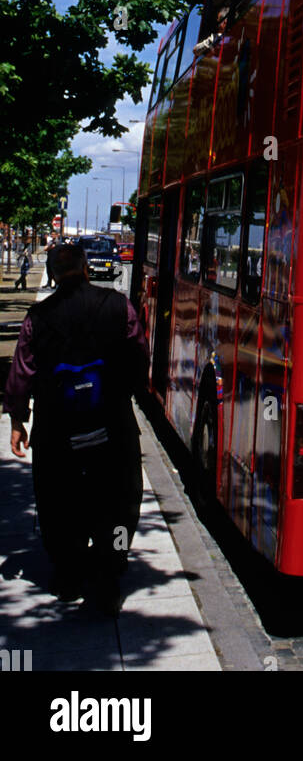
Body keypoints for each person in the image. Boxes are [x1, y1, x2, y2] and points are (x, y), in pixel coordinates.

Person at [4, 243, 149, 611]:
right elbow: (139, 355)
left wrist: (18, 419)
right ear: (86, 269)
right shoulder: (119, 306)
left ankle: (68, 576)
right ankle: (109, 575)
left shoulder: (37, 318)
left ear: (52, 275)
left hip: (57, 431)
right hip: (112, 427)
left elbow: (22, 372)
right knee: (119, 505)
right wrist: (125, 392)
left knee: (57, 504)